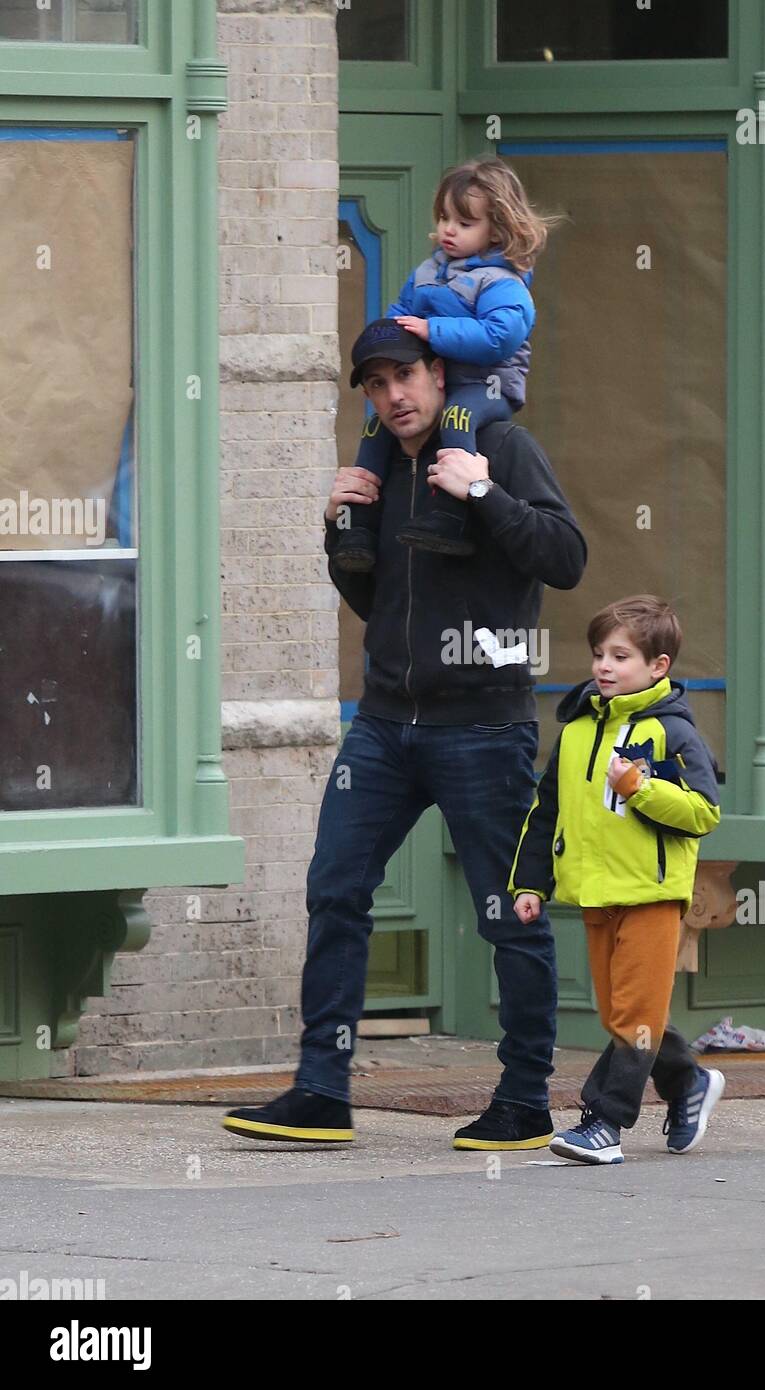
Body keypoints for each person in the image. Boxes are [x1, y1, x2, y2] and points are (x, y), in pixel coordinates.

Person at [222, 320, 586, 1150]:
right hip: (385, 726)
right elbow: (381, 605)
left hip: (483, 728)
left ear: (437, 375)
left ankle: (526, 1098)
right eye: (377, 386)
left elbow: (566, 556)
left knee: (509, 914)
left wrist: (484, 495)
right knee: (336, 890)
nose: (394, 397)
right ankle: (322, 1091)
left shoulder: (500, 445)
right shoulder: (382, 469)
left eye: (405, 378)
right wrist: (337, 530)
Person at [510, 596, 725, 1164]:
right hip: (595, 894)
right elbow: (546, 809)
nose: (604, 666)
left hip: (652, 895)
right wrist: (530, 883)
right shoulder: (578, 729)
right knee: (621, 1015)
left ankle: (604, 1123)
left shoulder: (672, 732)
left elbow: (704, 811)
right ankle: (687, 1083)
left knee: (633, 1016)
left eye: (621, 656)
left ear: (658, 666)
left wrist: (640, 790)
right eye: (599, 654)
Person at [333, 157, 558, 571]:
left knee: (456, 418)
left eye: (464, 222)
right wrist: (386, 342)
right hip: (447, 379)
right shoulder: (429, 271)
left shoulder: (501, 283)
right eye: (444, 218)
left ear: (497, 230)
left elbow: (498, 338)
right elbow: (399, 314)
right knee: (373, 427)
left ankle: (451, 517)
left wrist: (432, 331)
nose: (449, 230)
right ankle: (358, 528)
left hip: (487, 384)